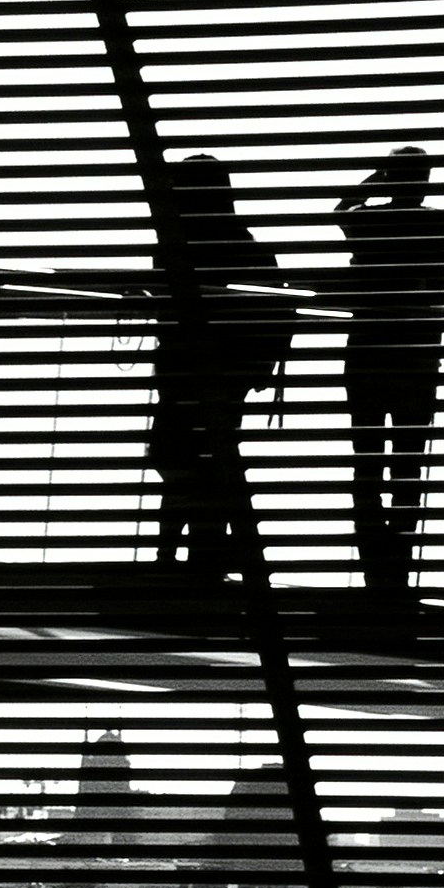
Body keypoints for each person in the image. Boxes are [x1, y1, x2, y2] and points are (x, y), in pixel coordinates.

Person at [329, 146, 444, 597]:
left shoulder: (370, 220)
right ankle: (397, 567)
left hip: (368, 351)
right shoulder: (438, 222)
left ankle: (375, 567)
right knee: (408, 464)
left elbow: (338, 211)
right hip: (417, 354)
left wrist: (374, 179)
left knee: (367, 462)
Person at [142, 151, 290, 575]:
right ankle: (204, 556)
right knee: (210, 460)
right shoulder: (245, 244)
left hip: (181, 366)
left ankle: (172, 556)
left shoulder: (175, 241)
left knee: (176, 458)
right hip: (229, 370)